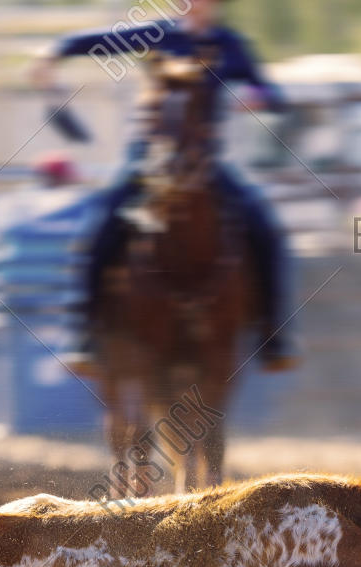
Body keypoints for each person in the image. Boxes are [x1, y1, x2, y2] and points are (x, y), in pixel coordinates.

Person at [31, 0, 297, 373]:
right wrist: (57, 49)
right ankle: (83, 334)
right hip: (149, 158)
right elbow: (104, 41)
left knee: (265, 228)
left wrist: (259, 98)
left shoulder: (231, 45)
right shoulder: (156, 33)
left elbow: (272, 94)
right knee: (100, 225)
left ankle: (273, 335)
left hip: (205, 160)